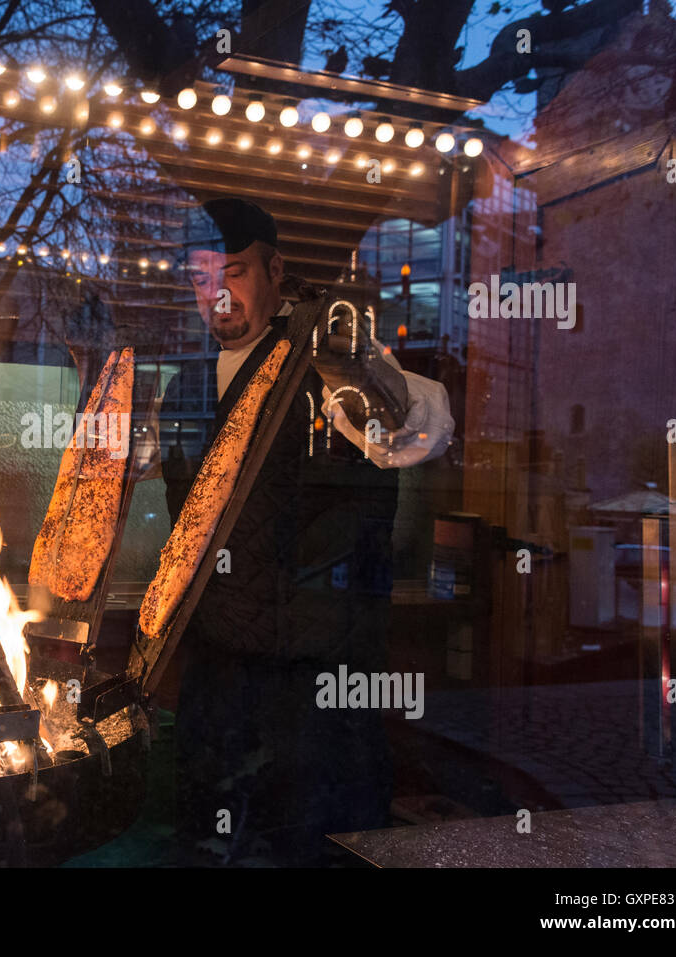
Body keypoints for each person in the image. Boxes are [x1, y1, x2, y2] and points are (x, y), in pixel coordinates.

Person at [145, 197, 454, 865]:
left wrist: (358, 370)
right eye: (200, 278)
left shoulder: (321, 363)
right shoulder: (186, 390)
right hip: (216, 679)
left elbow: (411, 426)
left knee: (310, 848)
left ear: (275, 269)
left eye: (233, 271)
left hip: (313, 686)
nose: (217, 294)